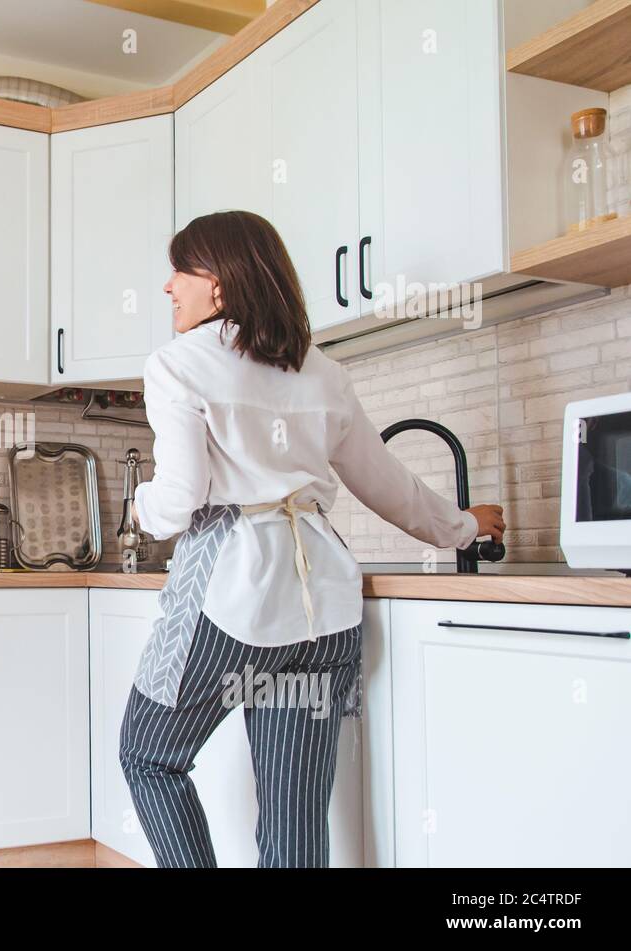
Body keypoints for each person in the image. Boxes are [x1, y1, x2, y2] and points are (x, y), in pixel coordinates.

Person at [119, 210, 505, 867]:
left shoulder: (177, 364)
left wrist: (140, 507)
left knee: (149, 753)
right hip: (324, 610)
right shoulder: (323, 373)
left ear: (219, 283)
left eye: (181, 269)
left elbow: (178, 501)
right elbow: (387, 483)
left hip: (229, 601)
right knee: (294, 811)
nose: (167, 286)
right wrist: (465, 524)